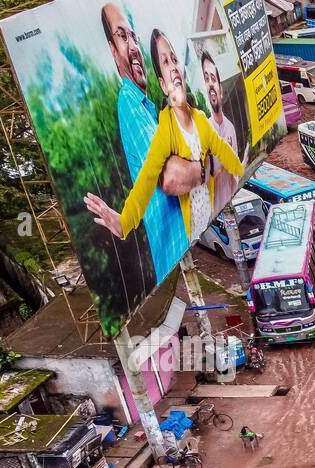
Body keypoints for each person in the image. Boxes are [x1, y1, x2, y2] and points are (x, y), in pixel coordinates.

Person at [86, 30, 243, 250]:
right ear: (162, 83)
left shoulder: (200, 119)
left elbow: (222, 149)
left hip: (211, 215)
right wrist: (124, 222)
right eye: (165, 62)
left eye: (174, 59)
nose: (173, 67)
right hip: (192, 233)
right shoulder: (166, 129)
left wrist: (238, 169)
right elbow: (147, 178)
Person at [99, 2, 194, 283]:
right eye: (122, 36)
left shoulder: (148, 109)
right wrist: (207, 165)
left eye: (133, 36)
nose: (133, 46)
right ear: (113, 51)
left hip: (185, 241)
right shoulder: (129, 104)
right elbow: (172, 178)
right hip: (175, 248)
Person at [201, 51, 239, 217]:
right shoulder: (204, 132)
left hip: (232, 204)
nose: (210, 84)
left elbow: (236, 175)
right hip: (214, 217)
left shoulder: (230, 127)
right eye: (206, 79)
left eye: (213, 78)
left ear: (220, 90)